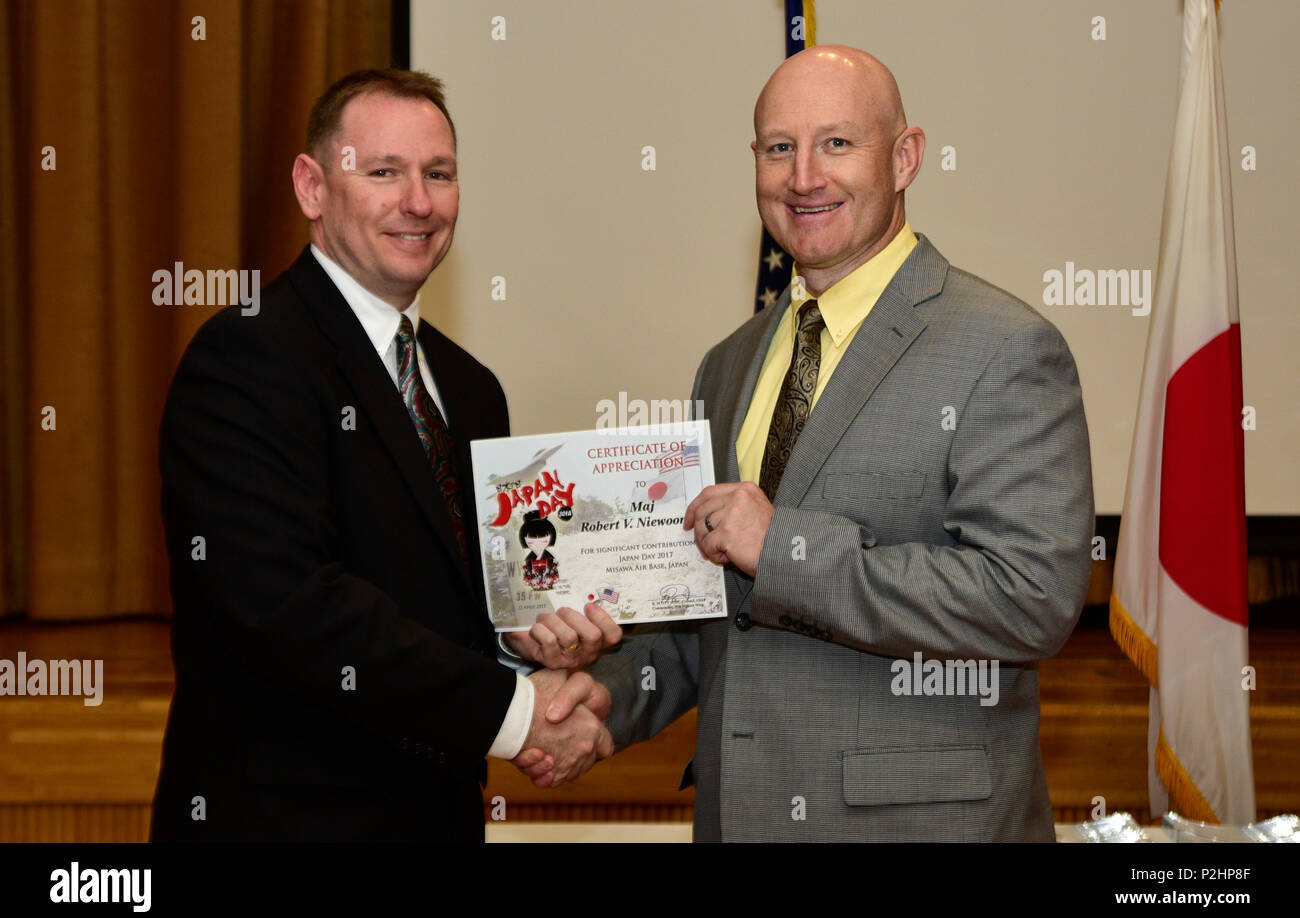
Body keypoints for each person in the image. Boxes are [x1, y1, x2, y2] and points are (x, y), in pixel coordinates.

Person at [514, 46, 1094, 841]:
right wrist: (614, 696)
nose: (804, 178)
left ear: (905, 158)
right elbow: (718, 608)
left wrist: (781, 544)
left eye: (837, 144)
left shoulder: (1004, 348)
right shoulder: (729, 364)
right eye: (779, 148)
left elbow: (1029, 598)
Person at [151, 69, 620, 842]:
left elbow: (452, 598)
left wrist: (528, 636)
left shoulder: (470, 389)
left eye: (439, 174)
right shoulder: (245, 356)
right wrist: (516, 714)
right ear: (311, 186)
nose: (420, 202)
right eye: (384, 173)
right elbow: (293, 609)